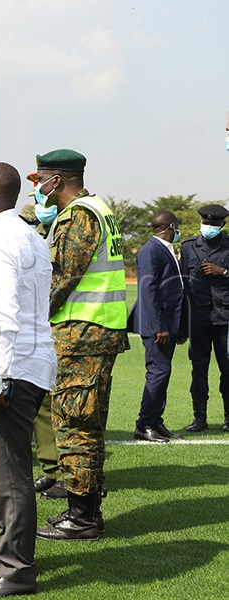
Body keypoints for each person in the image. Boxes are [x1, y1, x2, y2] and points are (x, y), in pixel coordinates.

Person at [0, 162, 57, 597]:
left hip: (11, 367)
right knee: (7, 464)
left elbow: (1, 314)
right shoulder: (30, 234)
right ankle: (10, 549)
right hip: (32, 363)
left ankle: (16, 569)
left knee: (9, 472)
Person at [32, 149, 129, 542]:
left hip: (81, 335)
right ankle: (84, 510)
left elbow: (61, 279)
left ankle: (83, 517)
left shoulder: (79, 215)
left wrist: (30, 314)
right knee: (86, 423)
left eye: (39, 180)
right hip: (92, 333)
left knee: (74, 424)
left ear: (58, 179)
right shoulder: (98, 209)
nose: (36, 188)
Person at [21, 185, 67, 500]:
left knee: (66, 404)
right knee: (42, 403)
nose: (39, 206)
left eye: (42, 200)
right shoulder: (36, 234)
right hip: (40, 326)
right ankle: (51, 471)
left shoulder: (70, 228)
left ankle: (70, 474)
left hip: (66, 325)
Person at [129, 211, 188, 442]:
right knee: (158, 373)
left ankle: (155, 421)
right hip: (157, 326)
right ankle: (144, 424)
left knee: (163, 373)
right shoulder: (150, 250)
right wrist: (158, 327)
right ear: (171, 226)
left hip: (168, 324)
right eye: (177, 228)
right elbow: (148, 290)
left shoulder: (164, 248)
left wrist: (179, 328)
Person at [179, 204, 229, 433]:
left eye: (213, 224)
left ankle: (228, 418)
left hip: (224, 319)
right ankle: (200, 418)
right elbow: (179, 284)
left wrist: (224, 272)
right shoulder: (188, 247)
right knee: (199, 369)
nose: (208, 227)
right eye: (205, 223)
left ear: (222, 225)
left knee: (227, 369)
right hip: (198, 319)